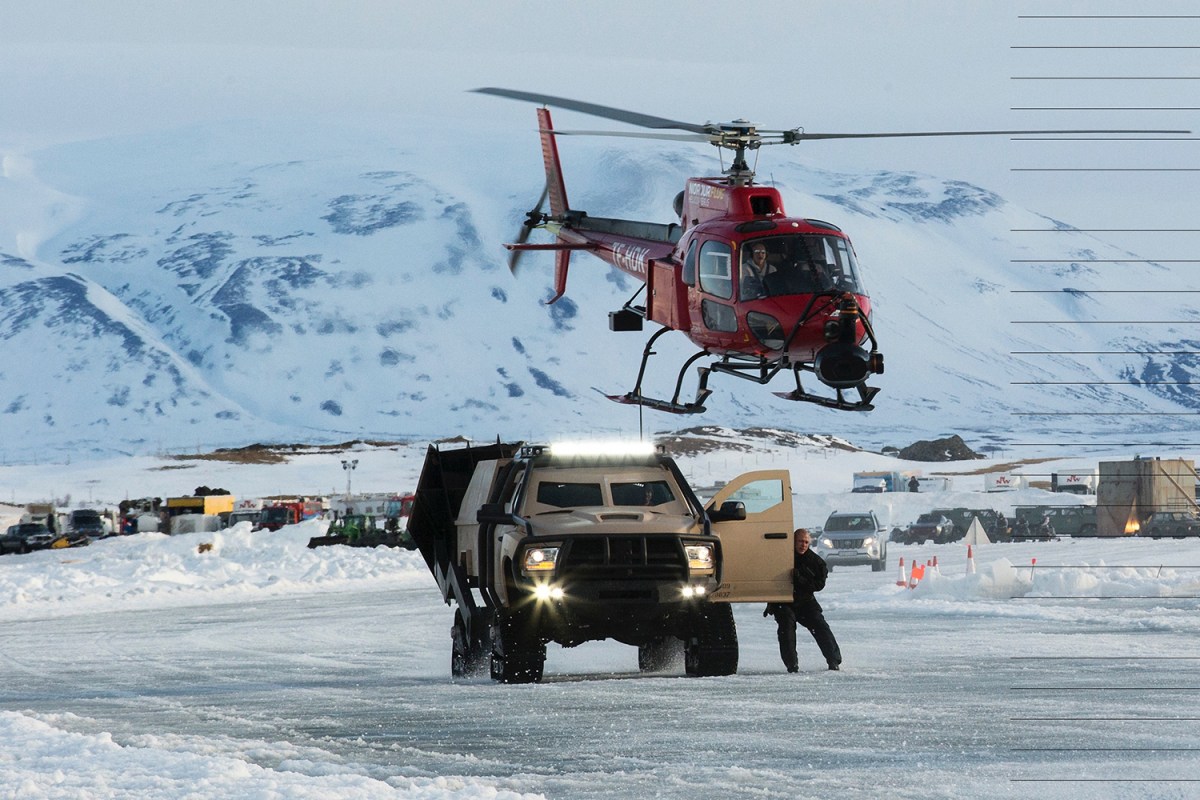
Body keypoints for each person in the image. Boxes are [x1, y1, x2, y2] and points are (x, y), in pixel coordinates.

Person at [765, 528, 842, 672]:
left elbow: (819, 585)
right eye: (800, 541)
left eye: (806, 542)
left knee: (820, 625)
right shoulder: (781, 558)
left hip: (804, 601)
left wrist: (800, 579)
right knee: (786, 627)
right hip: (783, 601)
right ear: (793, 542)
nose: (803, 545)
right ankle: (791, 665)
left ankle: (833, 660)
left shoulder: (816, 562)